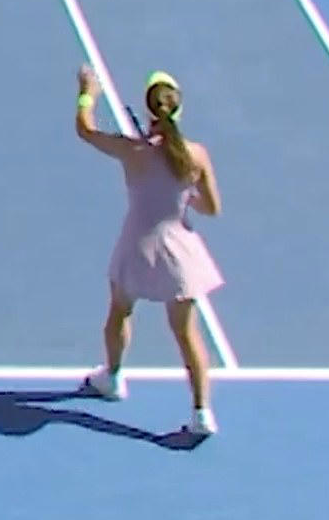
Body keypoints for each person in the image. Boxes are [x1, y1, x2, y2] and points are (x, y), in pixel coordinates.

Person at [75, 65, 224, 435]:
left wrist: (87, 94)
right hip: (180, 255)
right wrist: (183, 195)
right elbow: (211, 208)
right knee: (188, 333)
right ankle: (202, 413)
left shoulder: (133, 151)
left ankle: (111, 377)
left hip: (138, 249)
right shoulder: (196, 156)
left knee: (120, 310)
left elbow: (86, 130)